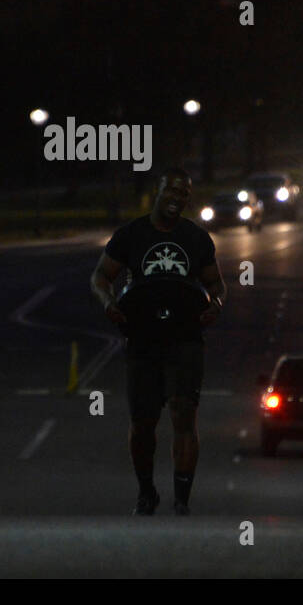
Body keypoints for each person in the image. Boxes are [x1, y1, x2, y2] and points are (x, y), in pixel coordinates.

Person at [90, 167, 226, 515]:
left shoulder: (196, 238)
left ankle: (182, 498)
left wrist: (217, 305)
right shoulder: (131, 235)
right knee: (143, 422)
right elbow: (101, 276)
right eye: (171, 191)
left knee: (184, 415)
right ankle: (146, 491)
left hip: (185, 338)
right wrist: (109, 304)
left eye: (183, 194)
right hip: (142, 338)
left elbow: (216, 285)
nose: (176, 199)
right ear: (157, 191)